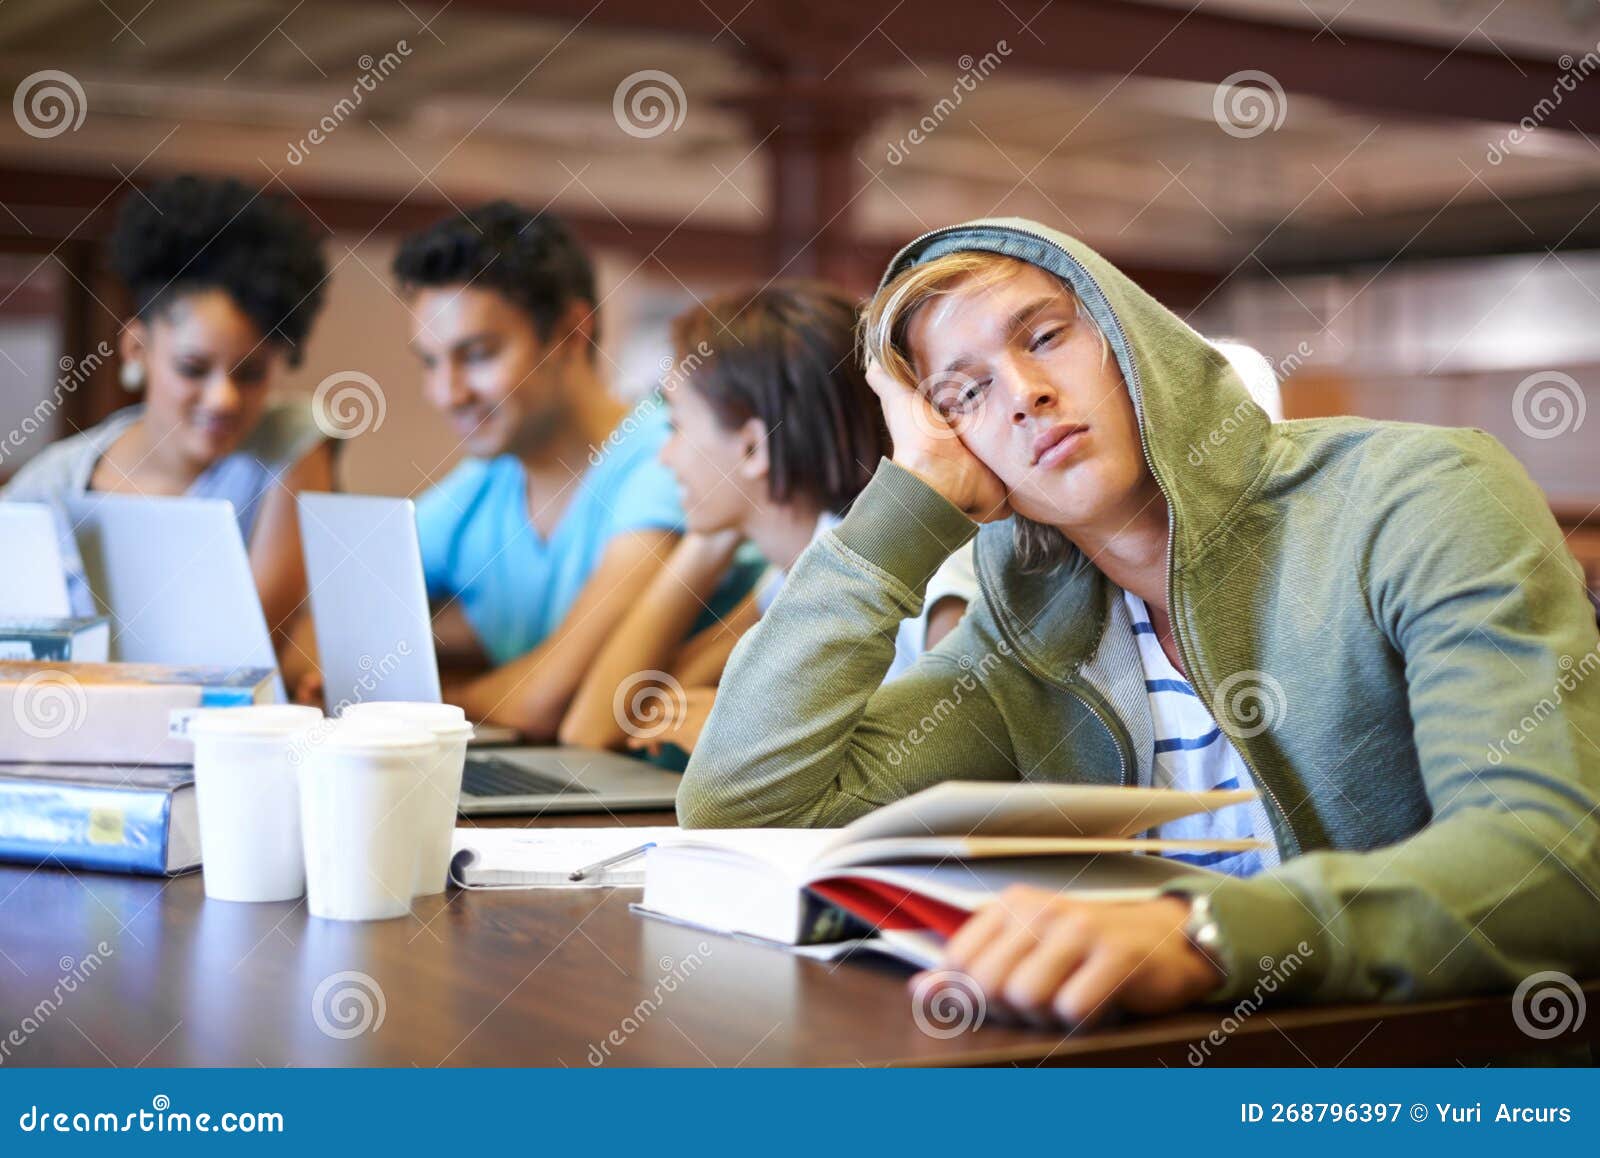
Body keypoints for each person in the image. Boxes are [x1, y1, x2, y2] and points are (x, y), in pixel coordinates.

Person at [678, 217, 1600, 1026]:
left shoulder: (1418, 499)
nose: (1023, 393)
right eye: (964, 394)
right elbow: (752, 806)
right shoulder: (1027, 629)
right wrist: (902, 512)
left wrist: (1201, 935)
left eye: (1045, 336)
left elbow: (1550, 864)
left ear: (1131, 340)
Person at [559, 284, 976, 755]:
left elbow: (952, 778)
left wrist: (743, 741)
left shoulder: (938, 591)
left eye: (676, 426)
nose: (664, 457)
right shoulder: (791, 573)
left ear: (754, 445)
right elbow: (598, 726)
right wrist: (709, 540)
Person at [391, 202, 751, 738]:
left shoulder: (667, 460)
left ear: (568, 332)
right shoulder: (483, 482)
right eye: (431, 362)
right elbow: (333, 623)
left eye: (478, 355)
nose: (447, 393)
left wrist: (431, 702)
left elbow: (547, 701)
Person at [1, 175, 333, 651]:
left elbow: (249, 651)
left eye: (250, 373)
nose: (224, 399)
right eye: (193, 368)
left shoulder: (287, 444)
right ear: (136, 348)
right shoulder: (46, 488)